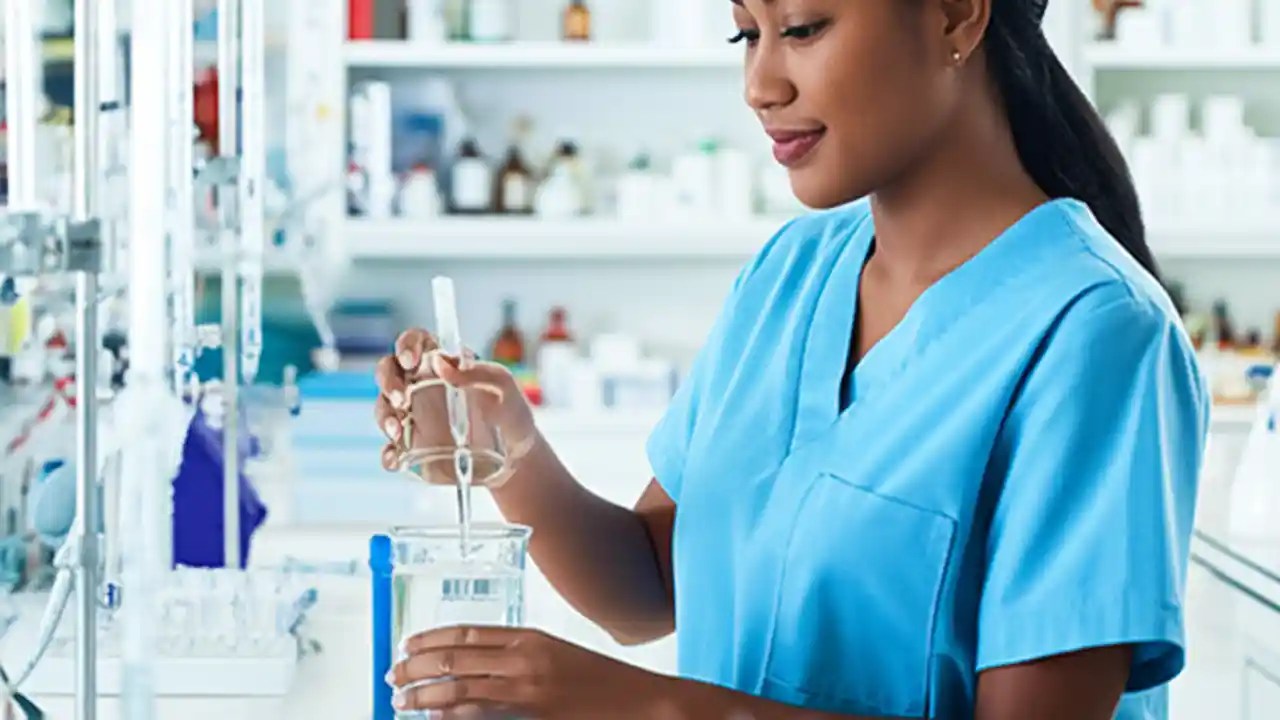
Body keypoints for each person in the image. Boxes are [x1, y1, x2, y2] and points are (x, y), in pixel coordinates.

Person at [374, 0, 1208, 717]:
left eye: (802, 28)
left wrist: (636, 704)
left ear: (957, 13)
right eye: (747, 33)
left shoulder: (1096, 335)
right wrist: (509, 452)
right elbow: (647, 591)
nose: (760, 86)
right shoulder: (790, 274)